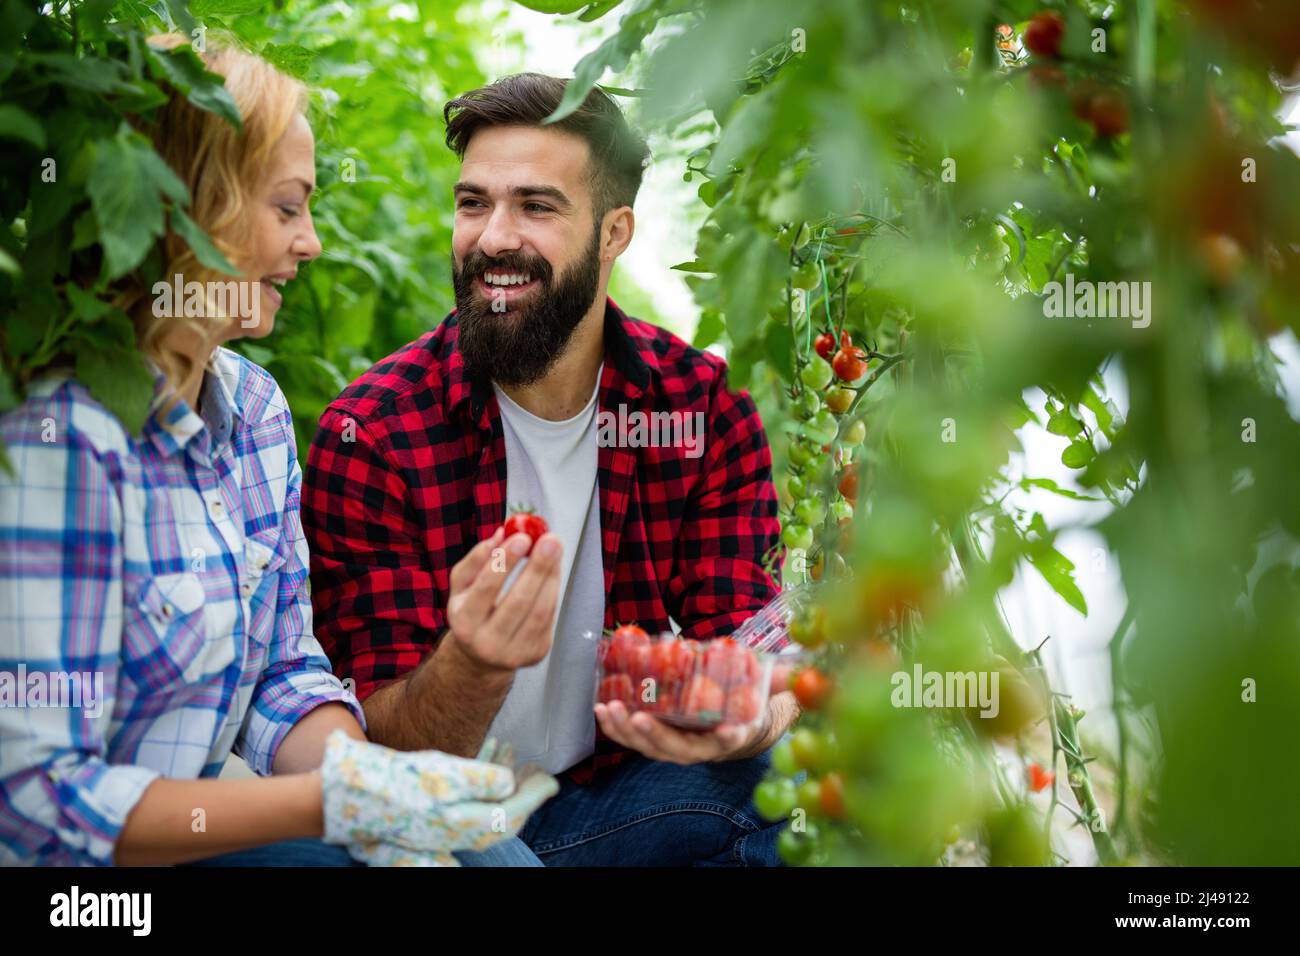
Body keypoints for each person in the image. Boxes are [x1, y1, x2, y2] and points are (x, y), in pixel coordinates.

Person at [0, 36, 552, 868]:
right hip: (90, 877)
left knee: (489, 857)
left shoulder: (253, 412)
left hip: (200, 830)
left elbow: (282, 670)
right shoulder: (63, 438)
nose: (311, 244)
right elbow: (37, 800)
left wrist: (378, 785)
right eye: (287, 208)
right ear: (190, 207)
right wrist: (327, 804)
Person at [302, 73, 799, 866]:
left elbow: (747, 652)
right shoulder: (373, 436)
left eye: (537, 206)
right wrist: (476, 659)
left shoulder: (699, 412)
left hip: (600, 803)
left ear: (614, 233)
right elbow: (375, 753)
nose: (495, 237)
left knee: (795, 778)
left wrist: (748, 719)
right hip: (436, 825)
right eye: (474, 204)